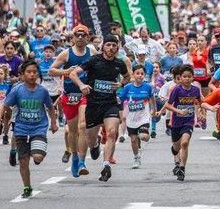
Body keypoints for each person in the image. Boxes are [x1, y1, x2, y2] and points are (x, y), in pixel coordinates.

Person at [68, 34, 131, 183]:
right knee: (90, 139)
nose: (111, 48)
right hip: (93, 104)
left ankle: (106, 165)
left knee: (111, 133)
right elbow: (73, 73)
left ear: (117, 48)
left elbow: (128, 76)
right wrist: (82, 85)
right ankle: (95, 144)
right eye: (108, 45)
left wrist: (121, 84)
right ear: (103, 46)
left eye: (114, 45)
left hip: (110, 103)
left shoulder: (119, 63)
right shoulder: (94, 61)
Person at [0, 58, 58, 198]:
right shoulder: (17, 90)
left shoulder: (42, 91)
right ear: (23, 74)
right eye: (29, 72)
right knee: (23, 161)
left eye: (34, 72)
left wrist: (54, 123)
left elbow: (50, 107)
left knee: (37, 157)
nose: (32, 74)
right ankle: (27, 187)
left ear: (38, 74)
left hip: (39, 128)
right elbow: (5, 105)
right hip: (21, 129)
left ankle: (35, 150)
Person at [48, 24, 94, 177]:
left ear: (88, 38)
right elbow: (51, 70)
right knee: (72, 131)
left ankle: (82, 161)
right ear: (73, 37)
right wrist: (66, 71)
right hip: (69, 96)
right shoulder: (66, 53)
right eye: (77, 35)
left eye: (83, 35)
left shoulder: (92, 52)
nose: (80, 38)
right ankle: (74, 156)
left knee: (83, 126)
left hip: (85, 95)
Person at [162, 65, 202, 181]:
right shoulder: (177, 89)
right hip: (176, 122)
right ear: (181, 78)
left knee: (184, 143)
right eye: (184, 76)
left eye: (189, 77)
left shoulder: (195, 90)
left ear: (193, 78)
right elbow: (168, 104)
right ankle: (175, 151)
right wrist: (178, 110)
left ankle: (182, 168)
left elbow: (200, 102)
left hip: (188, 121)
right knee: (176, 146)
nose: (187, 79)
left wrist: (201, 112)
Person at [117, 64, 156, 169]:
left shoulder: (147, 87)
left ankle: (141, 134)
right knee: (133, 140)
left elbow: (152, 99)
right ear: (133, 74)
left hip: (143, 118)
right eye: (137, 73)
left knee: (144, 137)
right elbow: (120, 99)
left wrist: (154, 110)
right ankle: (136, 157)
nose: (140, 75)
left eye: (142, 74)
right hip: (131, 119)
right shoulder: (127, 88)